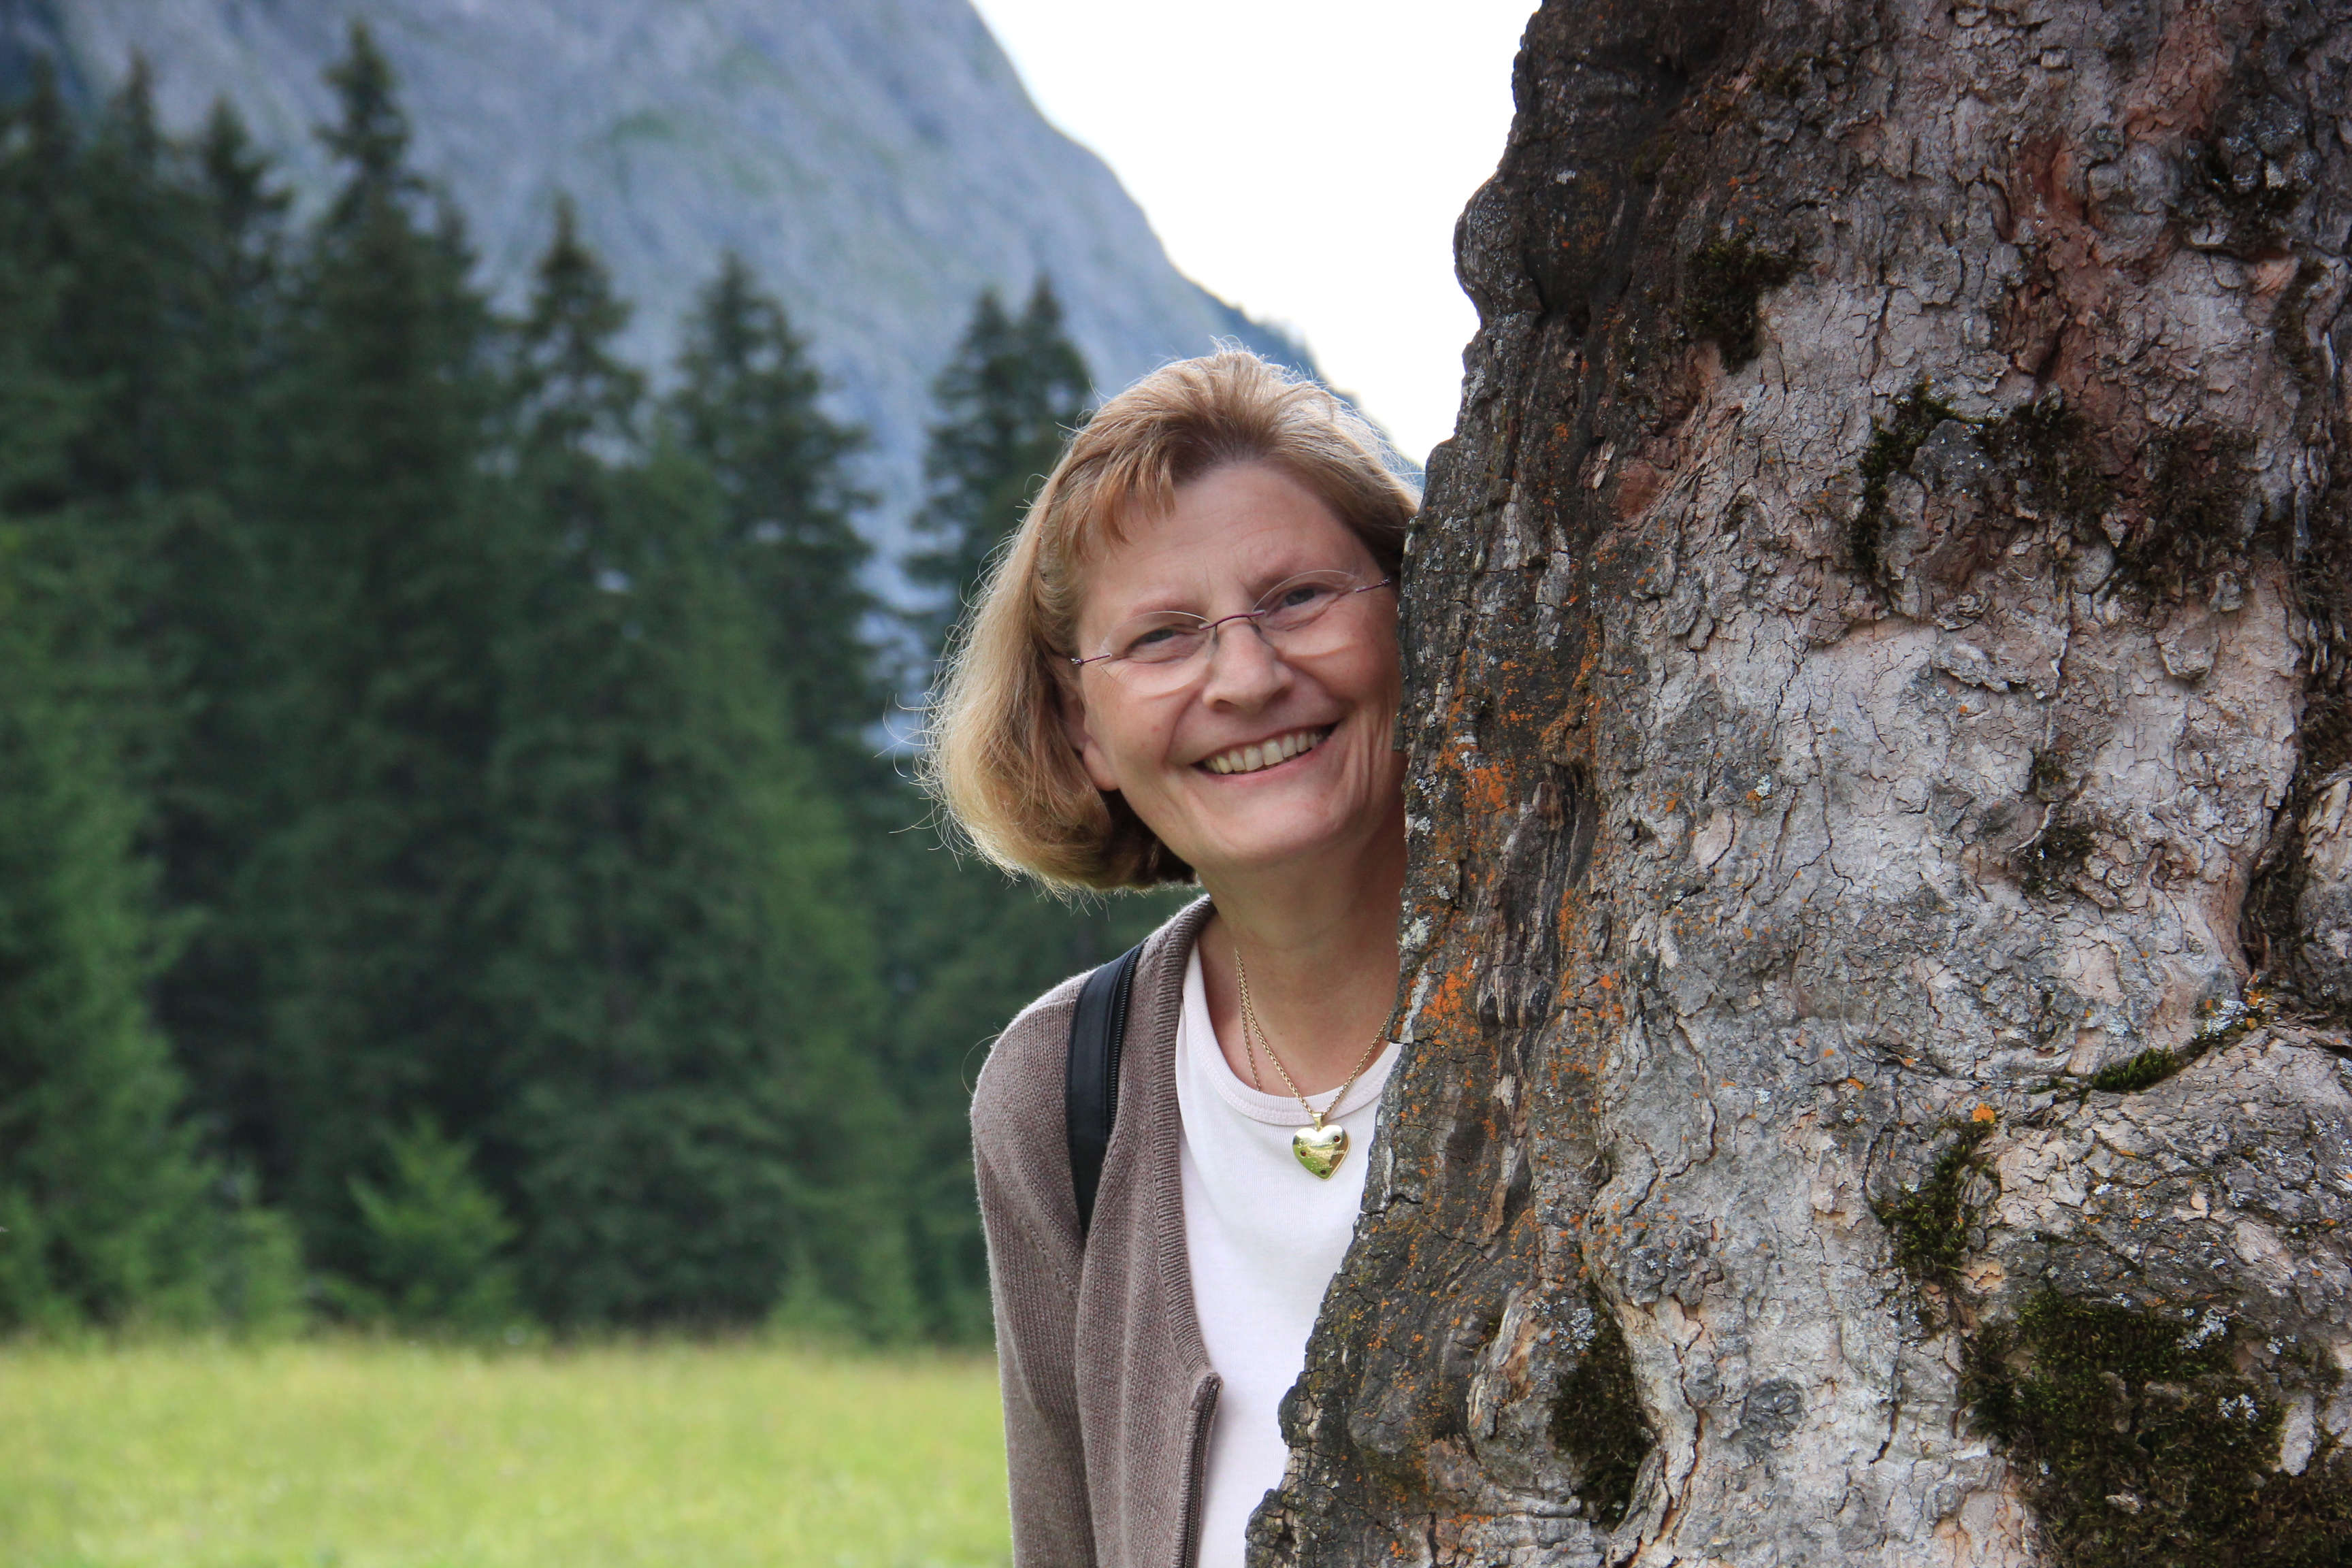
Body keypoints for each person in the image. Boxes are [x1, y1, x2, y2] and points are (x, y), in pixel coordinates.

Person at [928, 347, 1417, 1568]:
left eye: (1300, 597)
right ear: (1083, 728)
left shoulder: (1613, 1004)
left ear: (1423, 611)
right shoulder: (1063, 1091)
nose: (1247, 676)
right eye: (1161, 638)